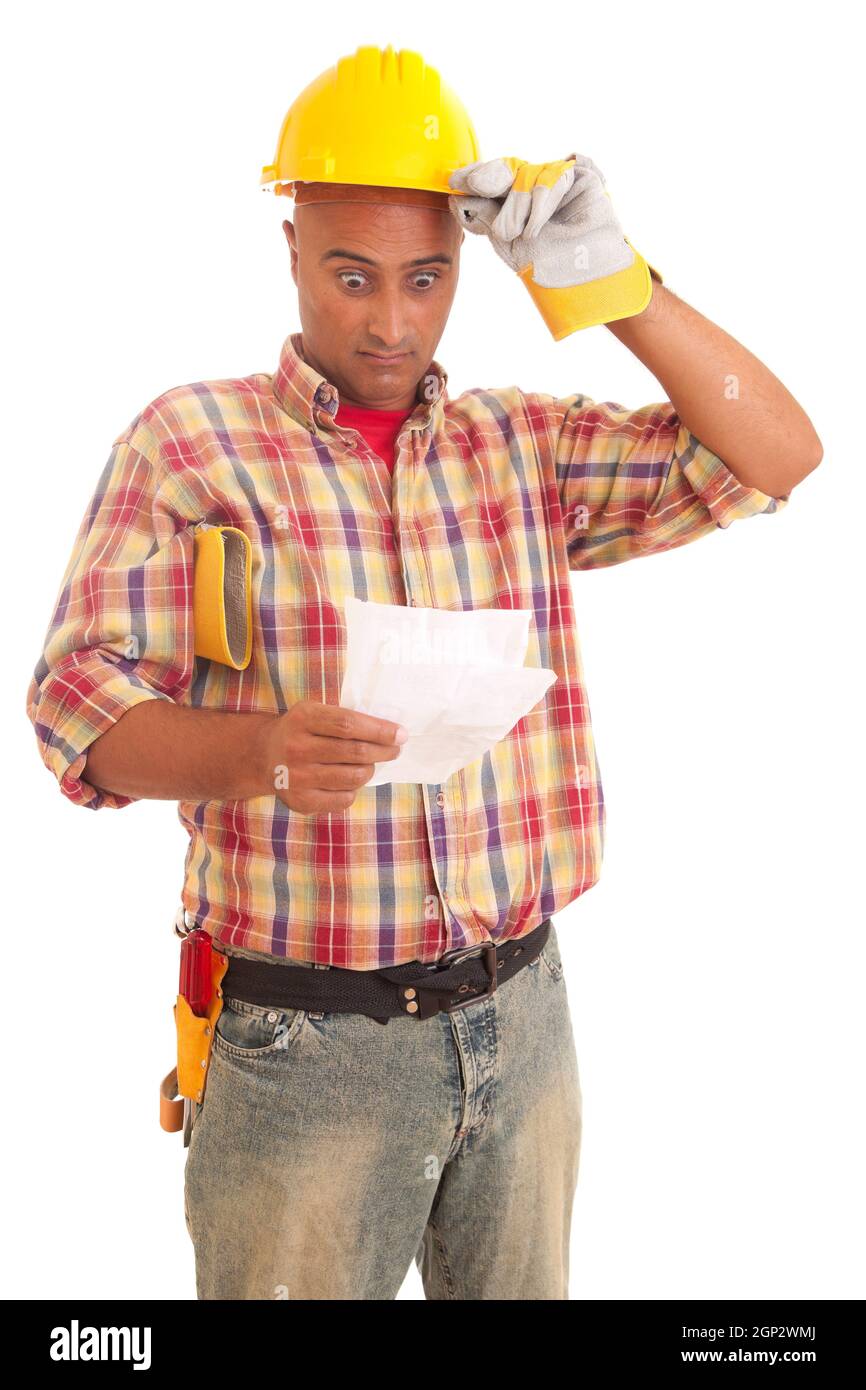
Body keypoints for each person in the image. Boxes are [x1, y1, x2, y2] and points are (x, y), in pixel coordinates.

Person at [25, 46, 822, 1300]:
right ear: (290, 247)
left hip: (523, 1016)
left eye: (425, 279)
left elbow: (774, 454)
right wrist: (260, 751)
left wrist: (616, 288)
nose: (389, 321)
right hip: (304, 1049)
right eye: (349, 277)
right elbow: (78, 704)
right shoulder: (190, 444)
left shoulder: (518, 446)